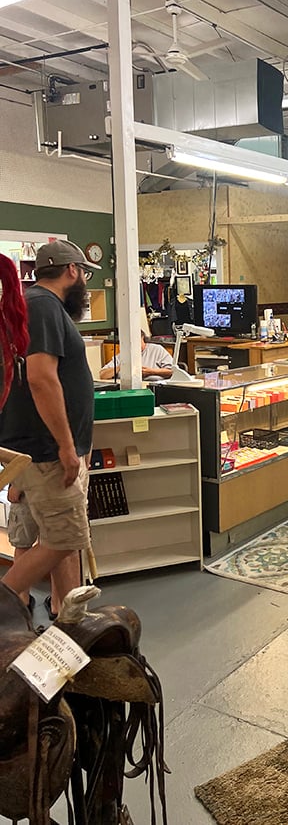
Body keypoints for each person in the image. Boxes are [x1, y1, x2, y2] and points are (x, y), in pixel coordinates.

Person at [0, 239, 100, 617]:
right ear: (72, 270)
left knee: (60, 535)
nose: (85, 286)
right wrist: (66, 445)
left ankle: (66, 615)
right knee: (66, 538)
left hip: (38, 449)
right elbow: (42, 378)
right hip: (48, 450)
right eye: (85, 276)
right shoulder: (43, 306)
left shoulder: (34, 305)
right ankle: (5, 602)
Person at [99, 329, 173, 380]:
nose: (133, 344)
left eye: (135, 340)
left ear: (142, 337)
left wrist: (151, 372)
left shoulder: (157, 350)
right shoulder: (123, 354)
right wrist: (121, 366)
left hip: (153, 389)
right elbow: (102, 375)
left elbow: (172, 372)